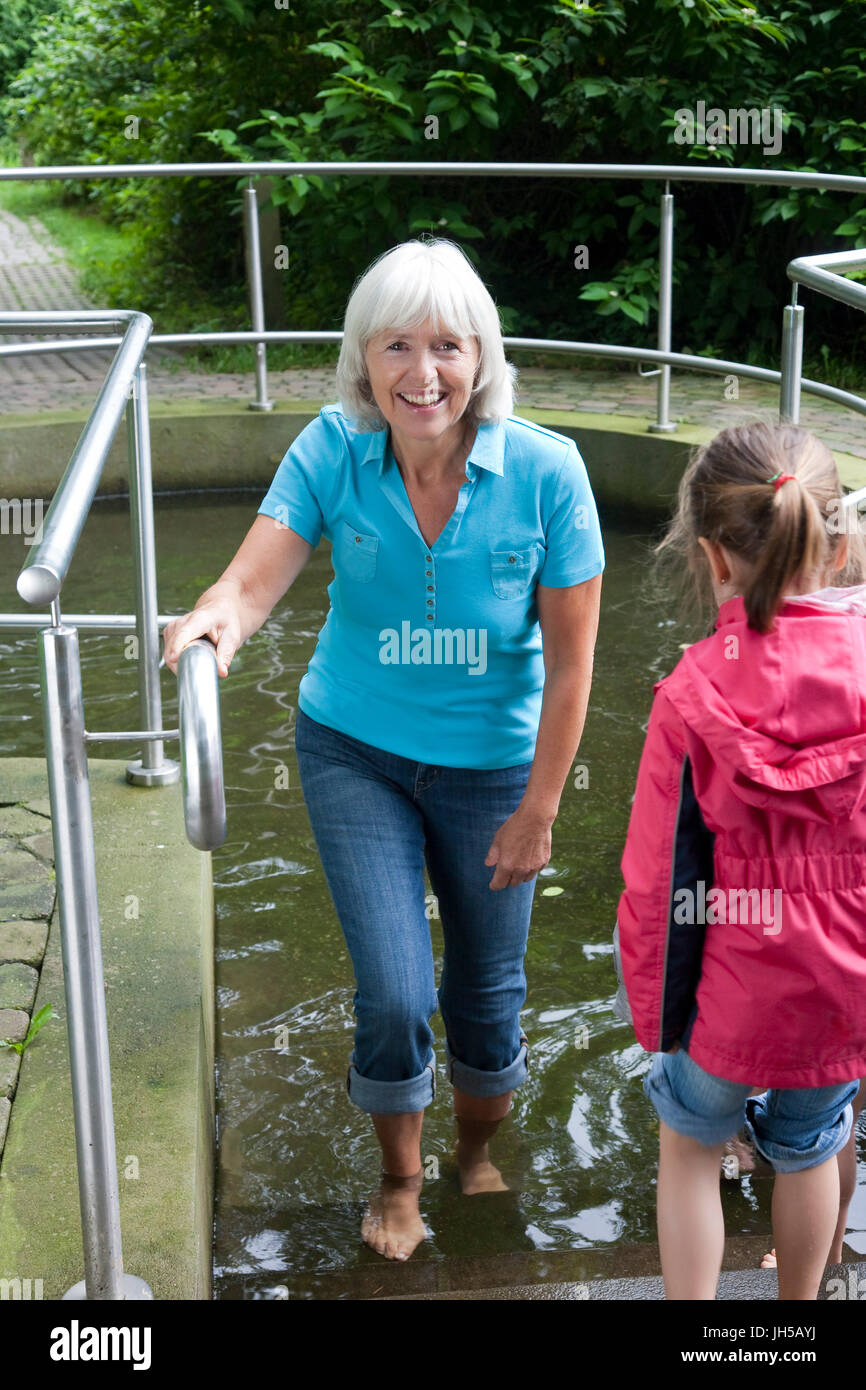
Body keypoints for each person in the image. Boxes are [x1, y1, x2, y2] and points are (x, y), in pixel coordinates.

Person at [163, 237, 604, 1262]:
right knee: (397, 989)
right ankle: (400, 1180)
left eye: (446, 345)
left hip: (494, 769)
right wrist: (213, 621)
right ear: (362, 359)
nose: (422, 373)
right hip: (351, 749)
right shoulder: (330, 448)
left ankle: (474, 1151)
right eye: (395, 345)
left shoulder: (545, 471)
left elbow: (576, 668)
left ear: (481, 356)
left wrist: (539, 810)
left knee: (486, 996)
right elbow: (252, 579)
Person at [614, 420, 866, 1300]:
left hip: (732, 980)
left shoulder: (691, 692)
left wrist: (656, 1013)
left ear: (715, 558)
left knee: (689, 1144)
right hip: (846, 981)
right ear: (836, 546)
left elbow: (655, 878)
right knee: (814, 1145)